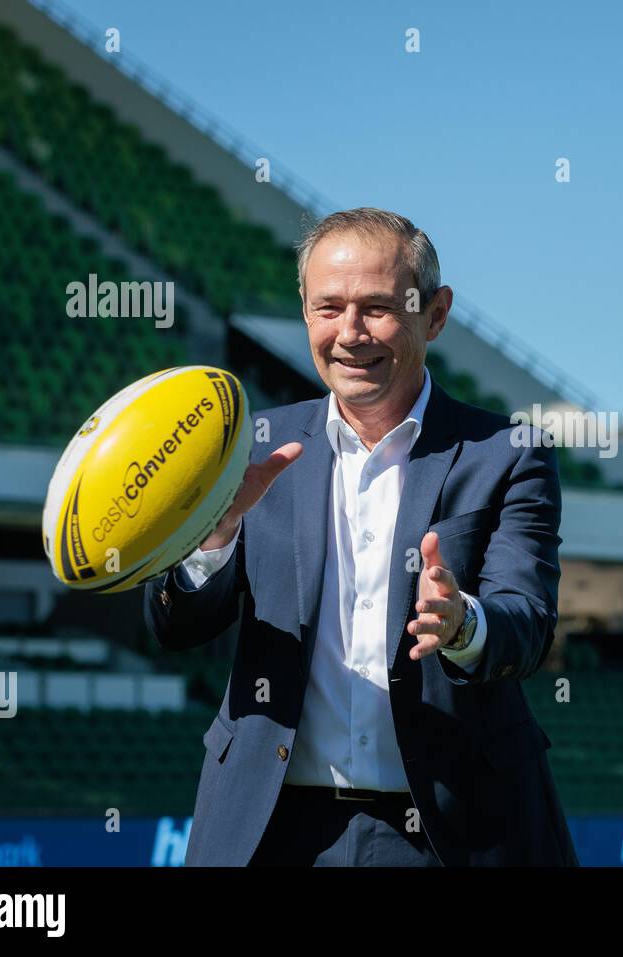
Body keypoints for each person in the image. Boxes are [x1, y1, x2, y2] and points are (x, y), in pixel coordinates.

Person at [143, 208, 577, 866]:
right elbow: (172, 626)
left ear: (434, 314)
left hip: (452, 828)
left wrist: (463, 624)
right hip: (272, 829)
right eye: (328, 307)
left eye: (376, 306)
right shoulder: (249, 448)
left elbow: (527, 624)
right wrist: (213, 539)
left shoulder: (508, 453)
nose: (350, 332)